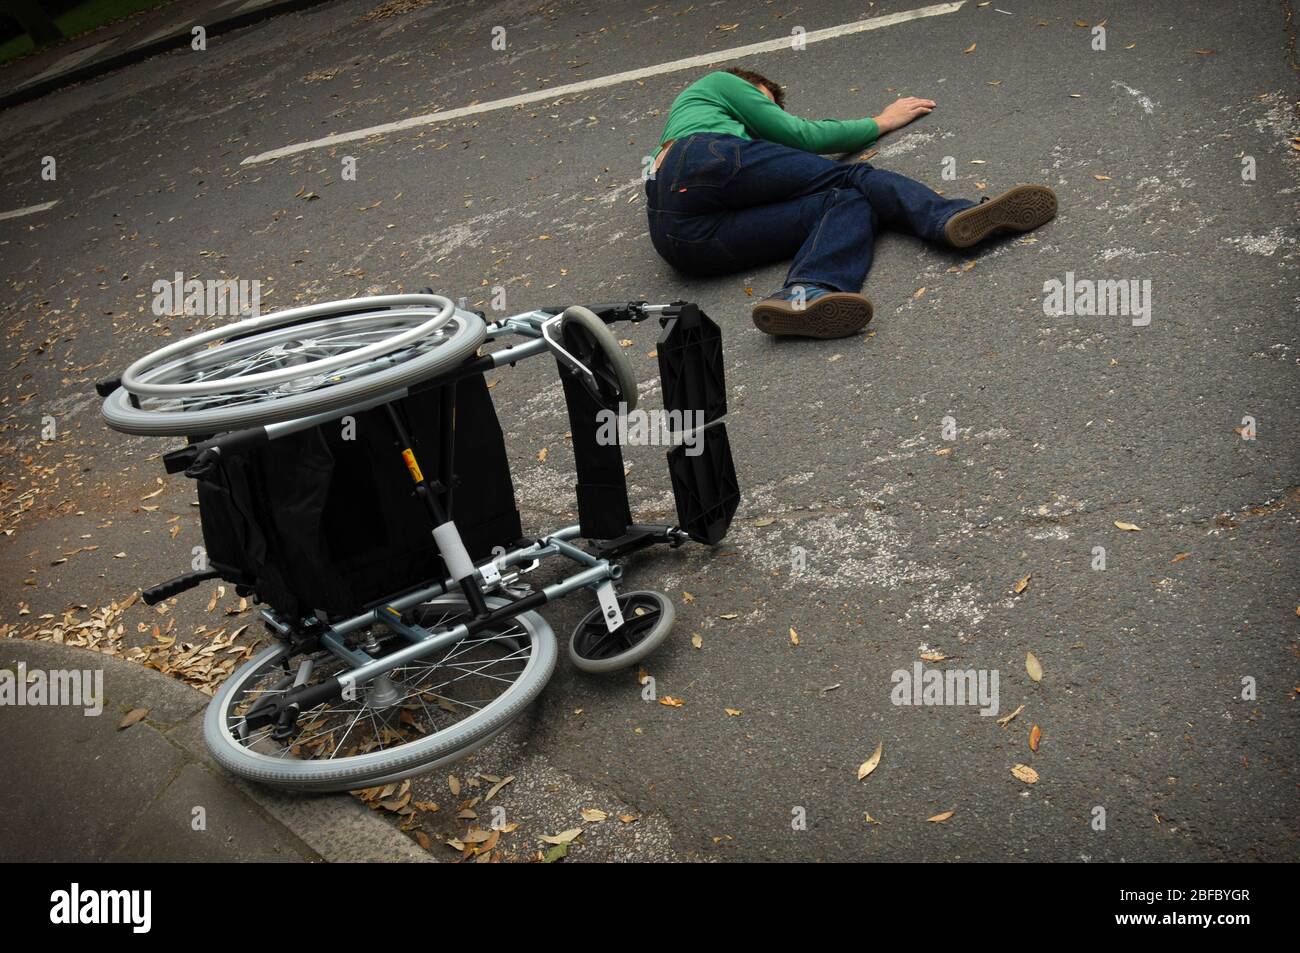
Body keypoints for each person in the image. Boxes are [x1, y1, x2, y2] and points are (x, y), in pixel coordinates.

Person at [644, 67, 1057, 338]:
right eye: (763, 103)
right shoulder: (719, 84)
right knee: (854, 175)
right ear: (748, 89)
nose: (763, 114)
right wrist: (884, 120)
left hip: (684, 244)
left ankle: (805, 293)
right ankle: (948, 216)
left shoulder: (666, 155)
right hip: (702, 159)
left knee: (846, 201)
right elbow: (801, 137)